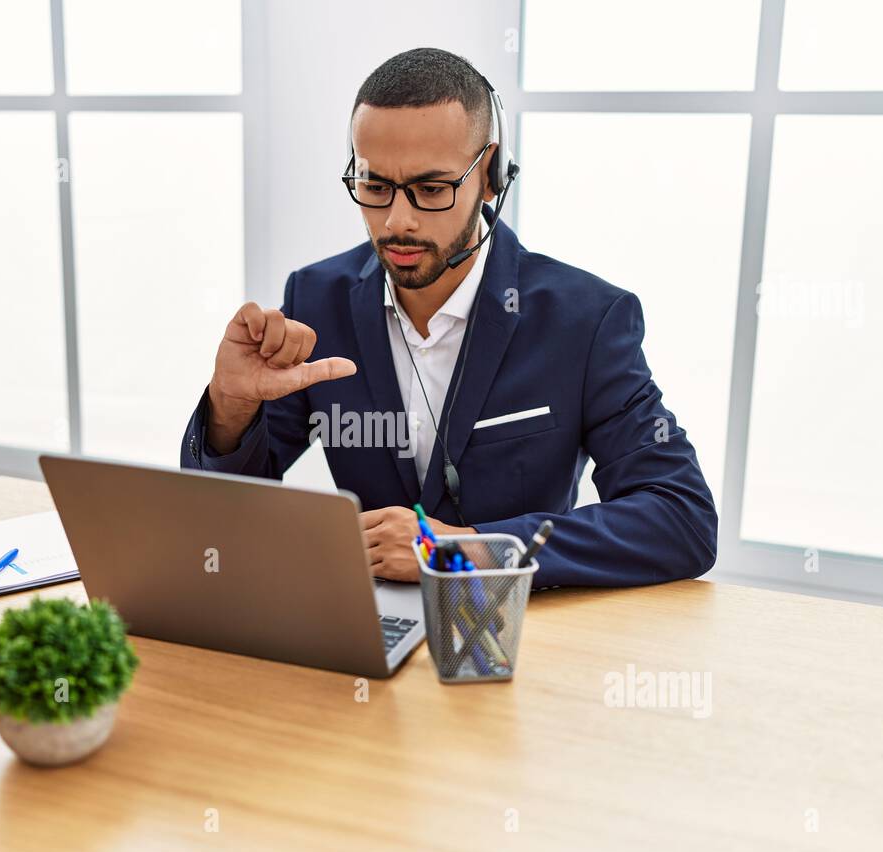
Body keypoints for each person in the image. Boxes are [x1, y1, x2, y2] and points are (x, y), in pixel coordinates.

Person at [181, 48, 716, 588]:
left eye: (431, 189)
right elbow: (223, 521)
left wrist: (469, 552)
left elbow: (681, 517)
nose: (397, 221)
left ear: (490, 176)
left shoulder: (587, 321)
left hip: (514, 638)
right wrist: (231, 409)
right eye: (374, 186)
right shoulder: (315, 299)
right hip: (368, 632)